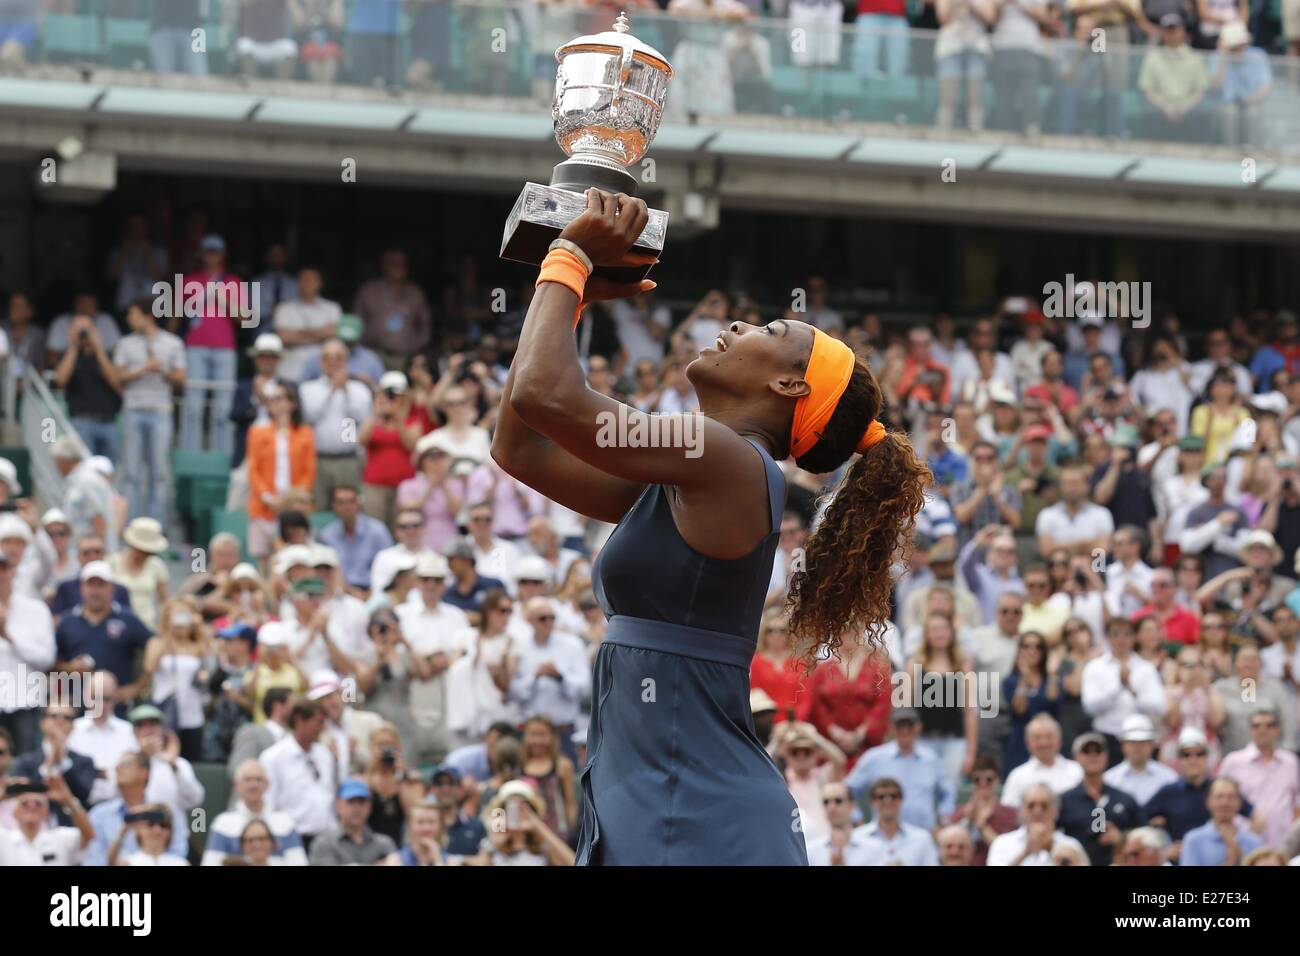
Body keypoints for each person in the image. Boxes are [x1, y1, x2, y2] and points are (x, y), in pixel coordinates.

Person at [494, 191, 932, 864]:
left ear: (788, 388)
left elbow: (545, 393)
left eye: (769, 331)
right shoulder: (693, 471)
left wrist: (572, 257)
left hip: (693, 807)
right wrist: (570, 289)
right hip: (659, 790)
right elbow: (519, 447)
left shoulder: (727, 459)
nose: (739, 325)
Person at [113, 297, 186, 525]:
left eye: (133, 314)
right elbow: (119, 376)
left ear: (148, 316)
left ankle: (156, 526)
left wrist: (162, 371)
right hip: (133, 409)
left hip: (161, 409)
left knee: (160, 474)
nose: (129, 319)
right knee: (131, 473)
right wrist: (144, 369)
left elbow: (181, 378)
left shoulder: (172, 343)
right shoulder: (125, 343)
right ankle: (130, 525)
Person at [179, 235, 242, 454]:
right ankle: (190, 453)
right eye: (207, 251)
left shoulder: (233, 281)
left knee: (223, 406)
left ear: (222, 255)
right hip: (195, 346)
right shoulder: (189, 280)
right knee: (193, 405)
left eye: (215, 252)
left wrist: (221, 298)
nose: (211, 256)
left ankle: (222, 455)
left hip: (224, 347)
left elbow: (244, 318)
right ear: (201, 254)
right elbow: (179, 314)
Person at [846, 709, 955, 831]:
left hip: (923, 837)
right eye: (900, 726)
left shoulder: (931, 759)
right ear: (891, 728)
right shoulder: (874, 758)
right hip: (882, 838)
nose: (905, 731)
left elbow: (947, 793)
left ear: (919, 727)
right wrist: (857, 821)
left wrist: (943, 821)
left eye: (910, 726)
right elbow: (847, 791)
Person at [246, 383, 317, 564]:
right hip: (264, 507)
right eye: (270, 400)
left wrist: (291, 499)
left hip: (294, 507)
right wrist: (268, 497)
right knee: (263, 557)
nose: (274, 403)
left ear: (292, 403)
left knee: (295, 556)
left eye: (279, 398)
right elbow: (253, 469)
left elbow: (308, 471)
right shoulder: (257, 432)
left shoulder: (305, 433)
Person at [300, 339, 374, 510]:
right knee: (317, 507)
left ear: (346, 361)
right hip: (318, 459)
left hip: (348, 459)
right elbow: (310, 416)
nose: (333, 362)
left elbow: (362, 418)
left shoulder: (359, 389)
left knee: (348, 508)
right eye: (328, 357)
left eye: (338, 357)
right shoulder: (309, 389)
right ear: (321, 361)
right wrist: (332, 390)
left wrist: (345, 390)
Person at [1082, 616, 1167, 762]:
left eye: (1126, 634)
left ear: (1134, 637)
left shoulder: (1146, 668)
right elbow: (1090, 707)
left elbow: (1159, 707)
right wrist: (1118, 687)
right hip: (1107, 737)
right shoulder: (1094, 667)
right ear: (1107, 637)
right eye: (1115, 634)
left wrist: (1133, 691)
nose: (1121, 640)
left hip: (1140, 738)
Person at [1216, 706, 1300, 850]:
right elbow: (1217, 800)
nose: (1263, 730)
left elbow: (1297, 801)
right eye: (1257, 726)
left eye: (1269, 725)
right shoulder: (1233, 762)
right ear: (1250, 731)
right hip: (1244, 842)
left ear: (1277, 730)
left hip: (1284, 844)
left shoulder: (1290, 762)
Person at [0, 542, 56, 754]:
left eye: (3, 568)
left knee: (28, 768)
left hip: (26, 703)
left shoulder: (35, 610)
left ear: (12, 572)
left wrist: (9, 636)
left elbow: (46, 658)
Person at [85, 752, 189, 866]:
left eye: (125, 764)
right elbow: (94, 860)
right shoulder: (98, 814)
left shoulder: (168, 812)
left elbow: (178, 853)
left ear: (144, 773)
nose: (117, 768)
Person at [259, 698, 337, 847]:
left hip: (325, 838)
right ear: (300, 720)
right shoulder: (273, 758)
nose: (322, 728)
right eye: (318, 722)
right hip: (291, 839)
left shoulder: (325, 755)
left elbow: (330, 796)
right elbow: (268, 803)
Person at [1058, 732, 1144, 866]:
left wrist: (1120, 839)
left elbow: (1143, 836)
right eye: (1086, 751)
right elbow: (1055, 839)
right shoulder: (1065, 801)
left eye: (1098, 751)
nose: (1093, 756)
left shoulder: (1125, 799)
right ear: (1076, 758)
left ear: (1106, 756)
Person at [202, 759, 307, 865]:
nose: (253, 785)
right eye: (247, 780)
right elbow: (210, 863)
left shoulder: (285, 822)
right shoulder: (223, 824)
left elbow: (298, 863)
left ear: (267, 784)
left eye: (258, 779)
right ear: (236, 784)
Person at [52, 309, 122, 462]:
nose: (83, 333)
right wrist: (74, 346)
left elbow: (115, 382)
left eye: (87, 329)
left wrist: (98, 347)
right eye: (79, 329)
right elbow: (61, 380)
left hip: (107, 421)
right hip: (80, 421)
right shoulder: (68, 355)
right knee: (85, 467)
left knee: (109, 471)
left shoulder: (106, 355)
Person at [987, 783, 1087, 866]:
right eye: (1031, 806)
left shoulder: (1071, 845)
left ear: (1056, 811)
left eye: (1044, 806)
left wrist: (1050, 848)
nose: (1037, 812)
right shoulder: (1002, 843)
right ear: (1021, 811)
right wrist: (1025, 853)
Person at [0, 778, 93, 866]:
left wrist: (68, 800)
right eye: (25, 804)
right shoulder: (4, 839)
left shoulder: (61, 838)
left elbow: (88, 834)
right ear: (14, 812)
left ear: (47, 812)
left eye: (38, 804)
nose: (32, 806)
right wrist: (4, 794)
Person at [318, 486, 393, 594]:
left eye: (350, 502)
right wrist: (350, 591)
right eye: (341, 502)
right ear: (333, 506)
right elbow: (325, 572)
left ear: (358, 504)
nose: (346, 507)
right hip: (339, 592)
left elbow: (389, 565)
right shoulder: (327, 536)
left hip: (375, 590)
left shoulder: (377, 531)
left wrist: (372, 593)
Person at [948, 755, 1019, 866]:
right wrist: (966, 820)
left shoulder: (1009, 814)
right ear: (971, 782)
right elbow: (949, 847)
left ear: (997, 780)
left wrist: (981, 825)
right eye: (977, 779)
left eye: (988, 779)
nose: (983, 783)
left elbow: (1007, 852)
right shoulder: (960, 812)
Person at [1001, 714, 1083, 808]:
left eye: (1049, 737)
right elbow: (1008, 811)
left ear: (1059, 740)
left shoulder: (1077, 770)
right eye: (1038, 738)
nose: (1044, 742)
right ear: (1028, 743)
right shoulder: (1017, 776)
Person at [1180, 777, 1265, 866]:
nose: (1225, 802)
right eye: (1219, 797)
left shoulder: (1254, 842)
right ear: (1208, 801)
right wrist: (1229, 861)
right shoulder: (1193, 840)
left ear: (1239, 802)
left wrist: (1238, 853)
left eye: (1231, 797)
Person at [1104, 714, 1178, 807]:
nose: (1137, 747)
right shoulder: (1109, 780)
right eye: (1132, 742)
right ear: (1123, 745)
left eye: (1142, 742)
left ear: (1152, 745)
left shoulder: (1169, 778)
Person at [110, 518, 171, 631]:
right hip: (117, 627)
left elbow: (164, 600)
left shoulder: (157, 566)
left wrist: (162, 626)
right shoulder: (113, 563)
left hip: (146, 626)